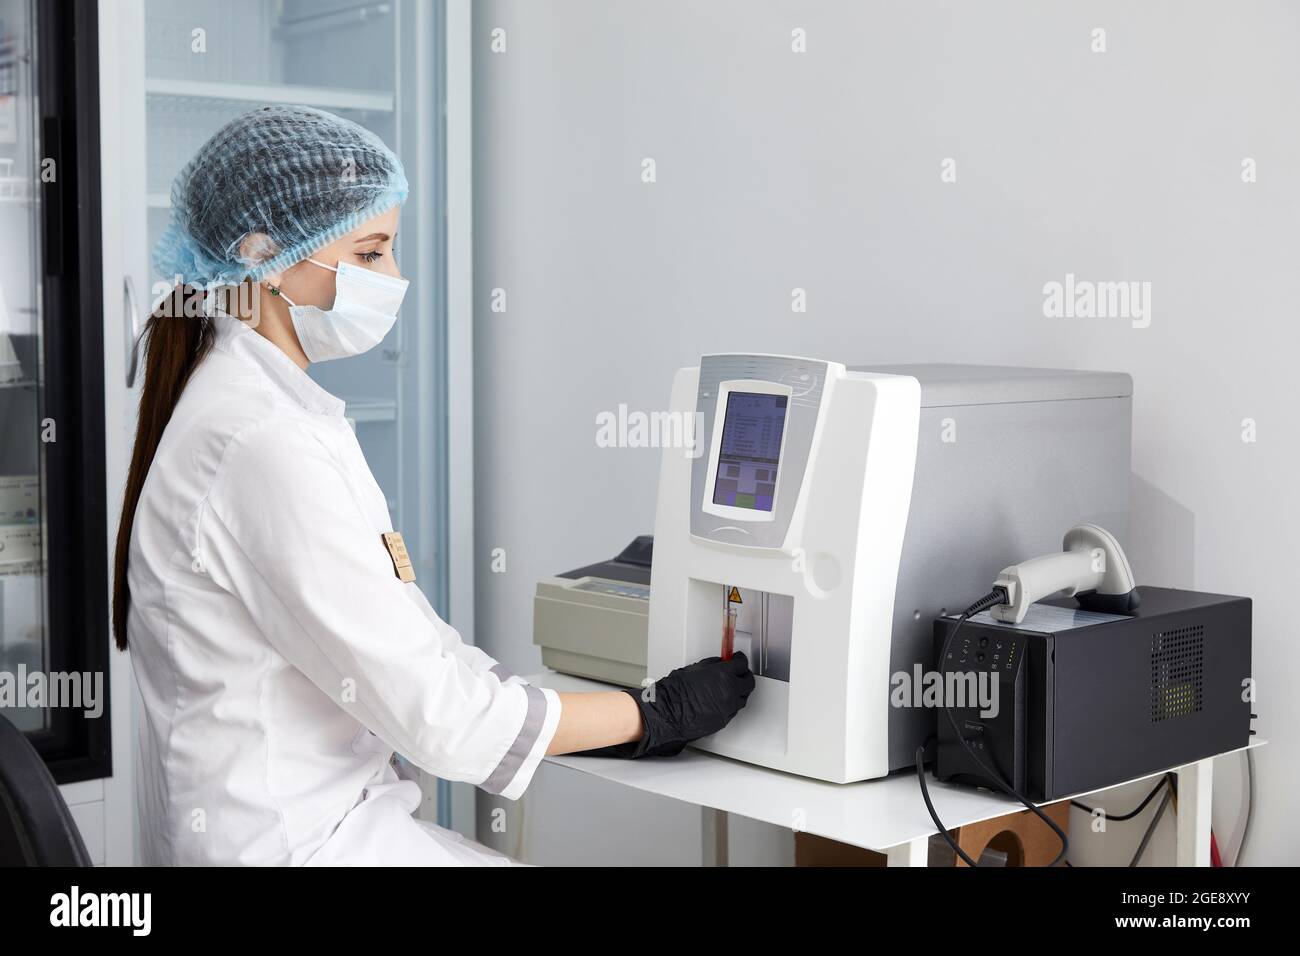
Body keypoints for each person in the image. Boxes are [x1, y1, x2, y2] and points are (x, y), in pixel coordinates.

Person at [112, 106, 753, 866]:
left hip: (318, 826)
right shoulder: (261, 441)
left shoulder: (267, 407)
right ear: (264, 256)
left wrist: (569, 708)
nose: (394, 279)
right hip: (296, 845)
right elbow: (442, 723)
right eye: (372, 251)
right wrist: (650, 715)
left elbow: (413, 644)